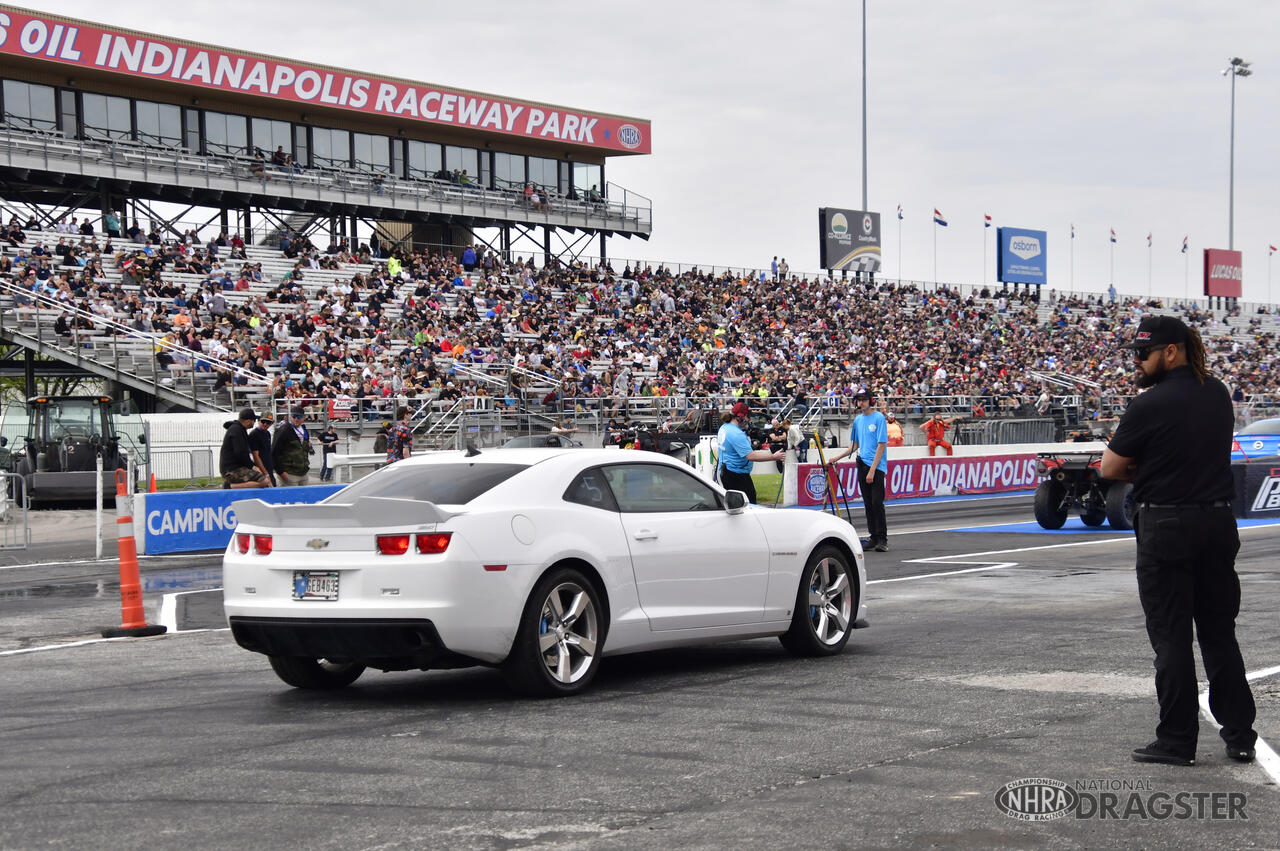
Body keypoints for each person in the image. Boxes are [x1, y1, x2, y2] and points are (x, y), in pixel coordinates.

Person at [1101, 315, 1257, 767]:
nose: (1137, 361)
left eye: (1143, 354)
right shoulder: (1218, 393)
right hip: (1217, 523)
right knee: (1219, 634)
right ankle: (1240, 735)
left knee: (1171, 638)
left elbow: (1111, 469)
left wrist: (1144, 468)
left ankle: (1176, 739)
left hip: (1166, 526)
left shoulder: (1149, 404)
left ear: (1171, 352)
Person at [825, 390, 889, 551]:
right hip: (862, 463)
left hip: (876, 465)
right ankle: (873, 536)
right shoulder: (858, 420)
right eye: (859, 400)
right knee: (867, 503)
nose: (861, 403)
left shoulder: (879, 418)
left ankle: (882, 539)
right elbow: (854, 445)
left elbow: (881, 445)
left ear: (870, 401)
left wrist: (873, 470)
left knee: (876, 502)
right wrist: (836, 458)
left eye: (864, 400)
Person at [717, 402, 783, 503]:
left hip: (727, 471)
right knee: (749, 504)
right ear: (739, 417)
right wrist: (774, 457)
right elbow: (751, 456)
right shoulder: (736, 434)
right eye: (747, 417)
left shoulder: (724, 427)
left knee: (736, 505)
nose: (749, 420)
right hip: (736, 475)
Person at [219, 408, 270, 489]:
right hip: (232, 469)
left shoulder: (239, 429)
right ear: (248, 421)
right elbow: (240, 452)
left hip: (233, 468)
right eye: (254, 420)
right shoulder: (237, 430)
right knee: (264, 481)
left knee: (262, 481)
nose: (254, 422)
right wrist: (252, 467)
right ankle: (229, 486)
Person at [271, 406, 313, 486]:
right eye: (294, 416)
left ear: (304, 418)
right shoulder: (283, 430)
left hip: (303, 474)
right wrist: (281, 473)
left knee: (304, 498)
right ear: (290, 417)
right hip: (289, 474)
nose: (296, 419)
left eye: (299, 417)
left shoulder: (304, 430)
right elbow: (273, 453)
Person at [247, 412, 277, 486]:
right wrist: (265, 474)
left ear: (272, 423)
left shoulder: (267, 433)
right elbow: (255, 456)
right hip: (260, 472)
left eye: (268, 422)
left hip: (268, 469)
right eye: (263, 421)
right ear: (258, 421)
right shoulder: (254, 434)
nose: (265, 424)